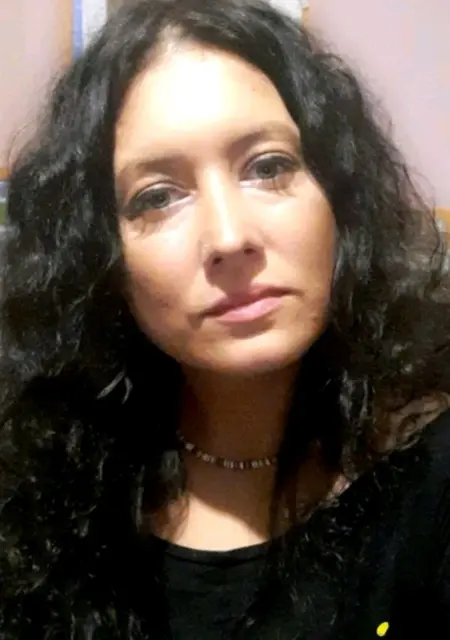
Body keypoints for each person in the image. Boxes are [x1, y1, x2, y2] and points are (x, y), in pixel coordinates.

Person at [0, 0, 449, 637]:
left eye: (268, 167)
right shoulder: (42, 481)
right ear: (98, 256)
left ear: (339, 197)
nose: (229, 236)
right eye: (158, 196)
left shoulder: (432, 472)